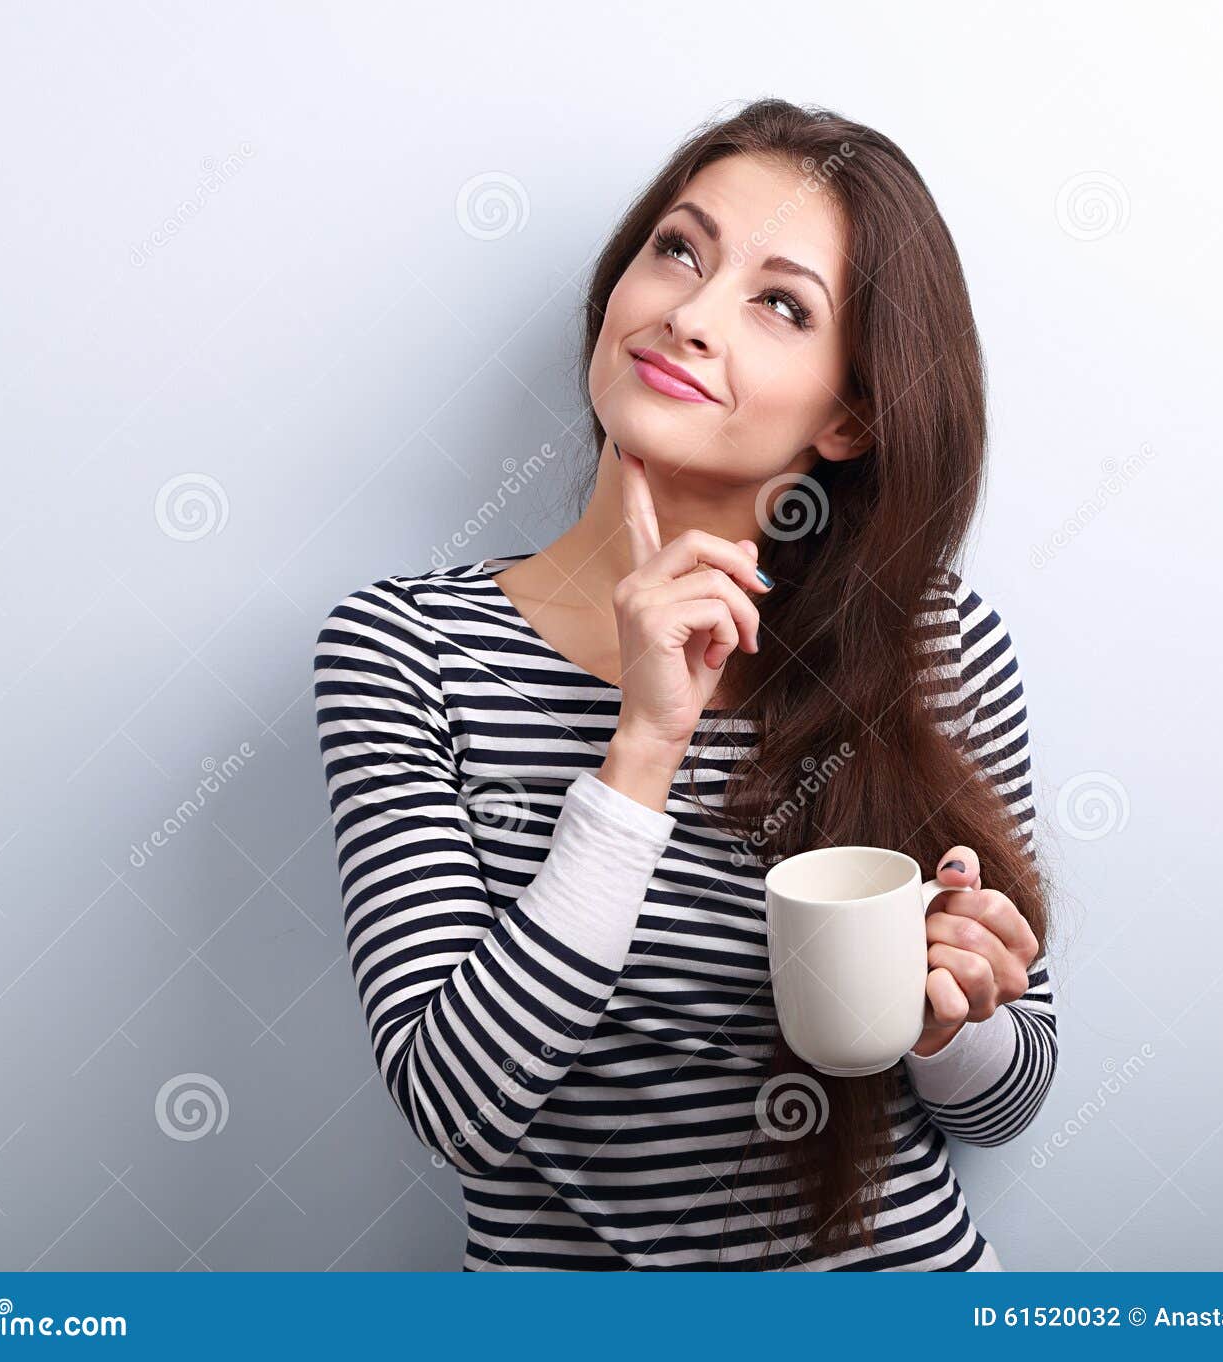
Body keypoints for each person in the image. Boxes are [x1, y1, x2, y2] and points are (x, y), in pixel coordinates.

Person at [313, 97, 1056, 1270]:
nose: (688, 314)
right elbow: (456, 1110)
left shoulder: (933, 643)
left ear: (850, 414)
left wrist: (947, 1020)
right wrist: (642, 748)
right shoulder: (407, 649)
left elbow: (1004, 1107)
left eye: (779, 302)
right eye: (678, 249)